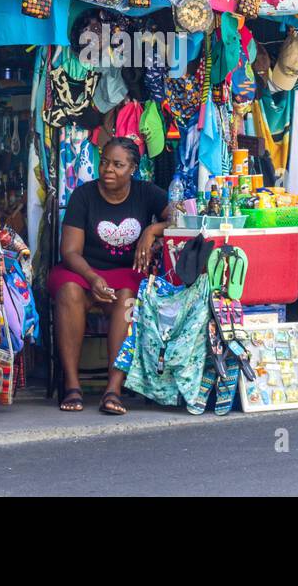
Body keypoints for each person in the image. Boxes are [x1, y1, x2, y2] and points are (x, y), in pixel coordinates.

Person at [50, 137, 173, 416]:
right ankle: (72, 384)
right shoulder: (84, 196)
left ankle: (113, 388)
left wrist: (152, 231)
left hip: (125, 276)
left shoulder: (146, 193)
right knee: (68, 291)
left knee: (128, 298)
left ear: (132, 169)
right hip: (82, 270)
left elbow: (179, 217)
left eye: (118, 165)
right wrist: (92, 278)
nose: (108, 169)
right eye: (104, 162)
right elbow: (69, 251)